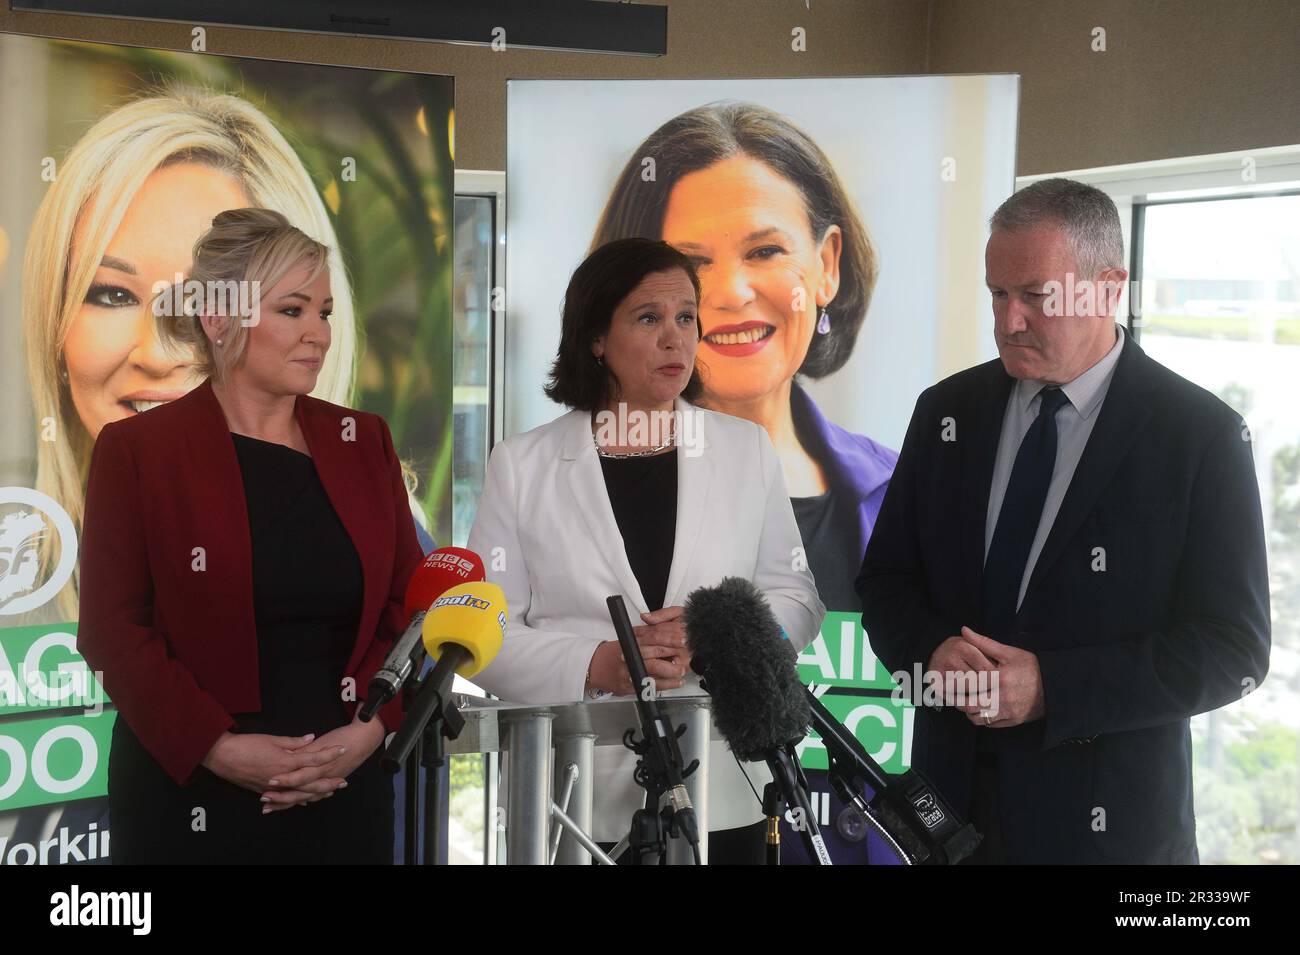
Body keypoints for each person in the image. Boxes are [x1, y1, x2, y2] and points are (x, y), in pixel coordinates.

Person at [857, 178, 1271, 864]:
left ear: (1108, 288)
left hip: (1107, 836)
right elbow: (886, 581)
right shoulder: (946, 412)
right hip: (945, 819)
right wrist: (930, 649)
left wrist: (1054, 688)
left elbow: (1234, 650)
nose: (1007, 321)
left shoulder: (1201, 437)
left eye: (1035, 296)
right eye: (996, 293)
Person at [77, 209, 423, 864]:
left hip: (343, 791)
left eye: (324, 311)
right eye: (293, 310)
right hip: (192, 799)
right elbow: (113, 630)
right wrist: (220, 749)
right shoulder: (138, 451)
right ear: (218, 319)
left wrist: (371, 728)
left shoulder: (364, 439)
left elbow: (411, 609)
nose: (318, 334)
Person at [467, 237, 825, 863]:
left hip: (725, 788)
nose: (675, 338)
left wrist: (718, 638)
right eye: (648, 317)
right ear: (596, 339)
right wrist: (599, 663)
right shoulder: (522, 464)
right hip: (576, 797)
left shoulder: (746, 450)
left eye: (686, 316)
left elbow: (797, 596)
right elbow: (485, 631)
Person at [21, 85, 365, 626]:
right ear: (55, 325)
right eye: (111, 294)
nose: (159, 353)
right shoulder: (20, 586)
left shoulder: (378, 536)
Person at [590, 101, 896, 612]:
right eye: (692, 262)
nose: (732, 293)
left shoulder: (902, 491)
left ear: (827, 264)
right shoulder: (570, 481)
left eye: (764, 251)